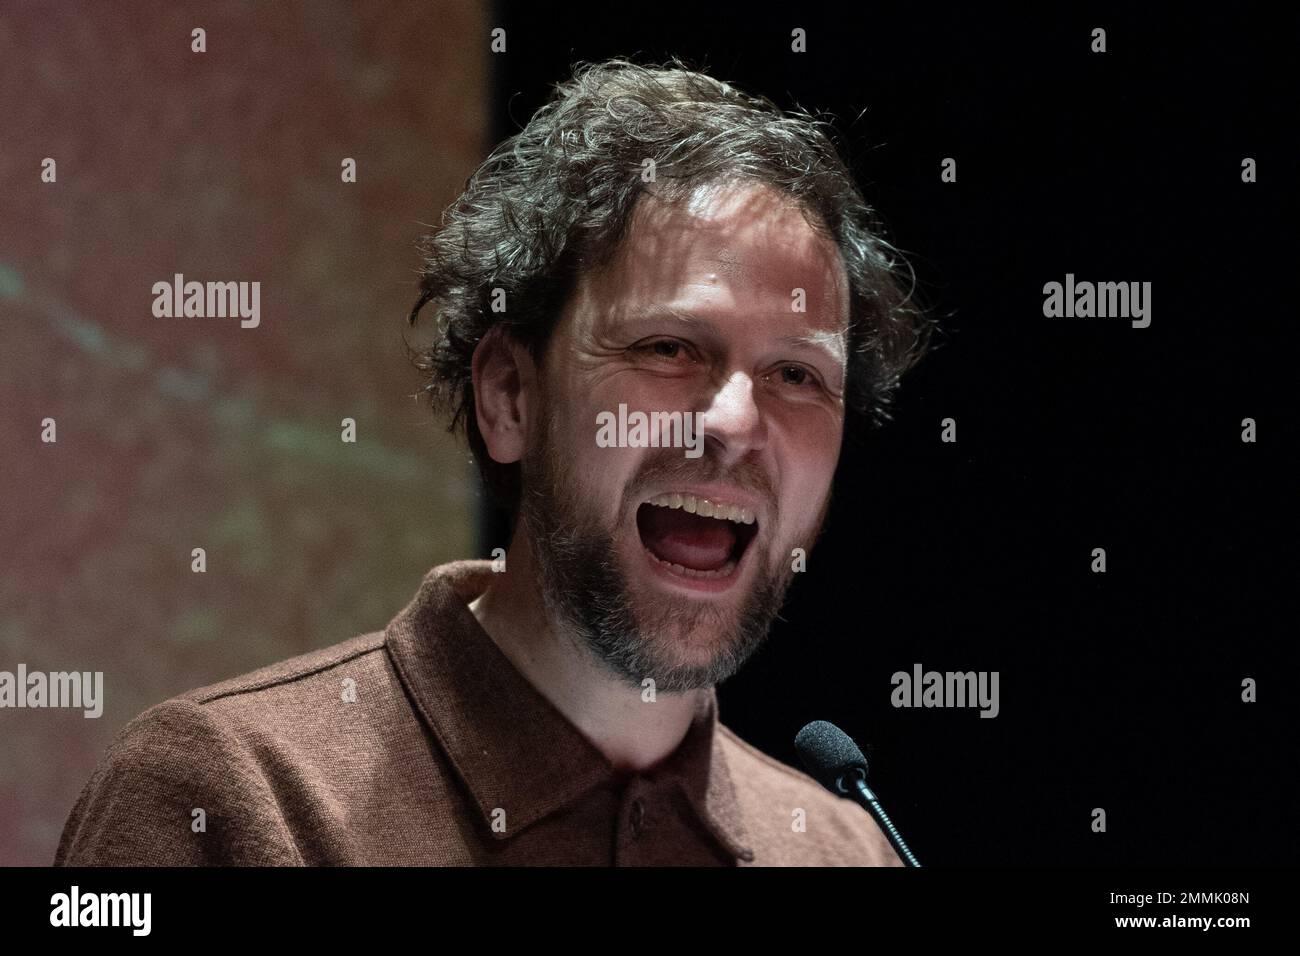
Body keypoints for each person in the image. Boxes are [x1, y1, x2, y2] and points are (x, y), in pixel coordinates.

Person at [56, 57, 934, 866]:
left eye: (796, 373)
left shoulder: (844, 848)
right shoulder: (227, 800)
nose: (737, 420)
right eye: (668, 347)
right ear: (510, 396)